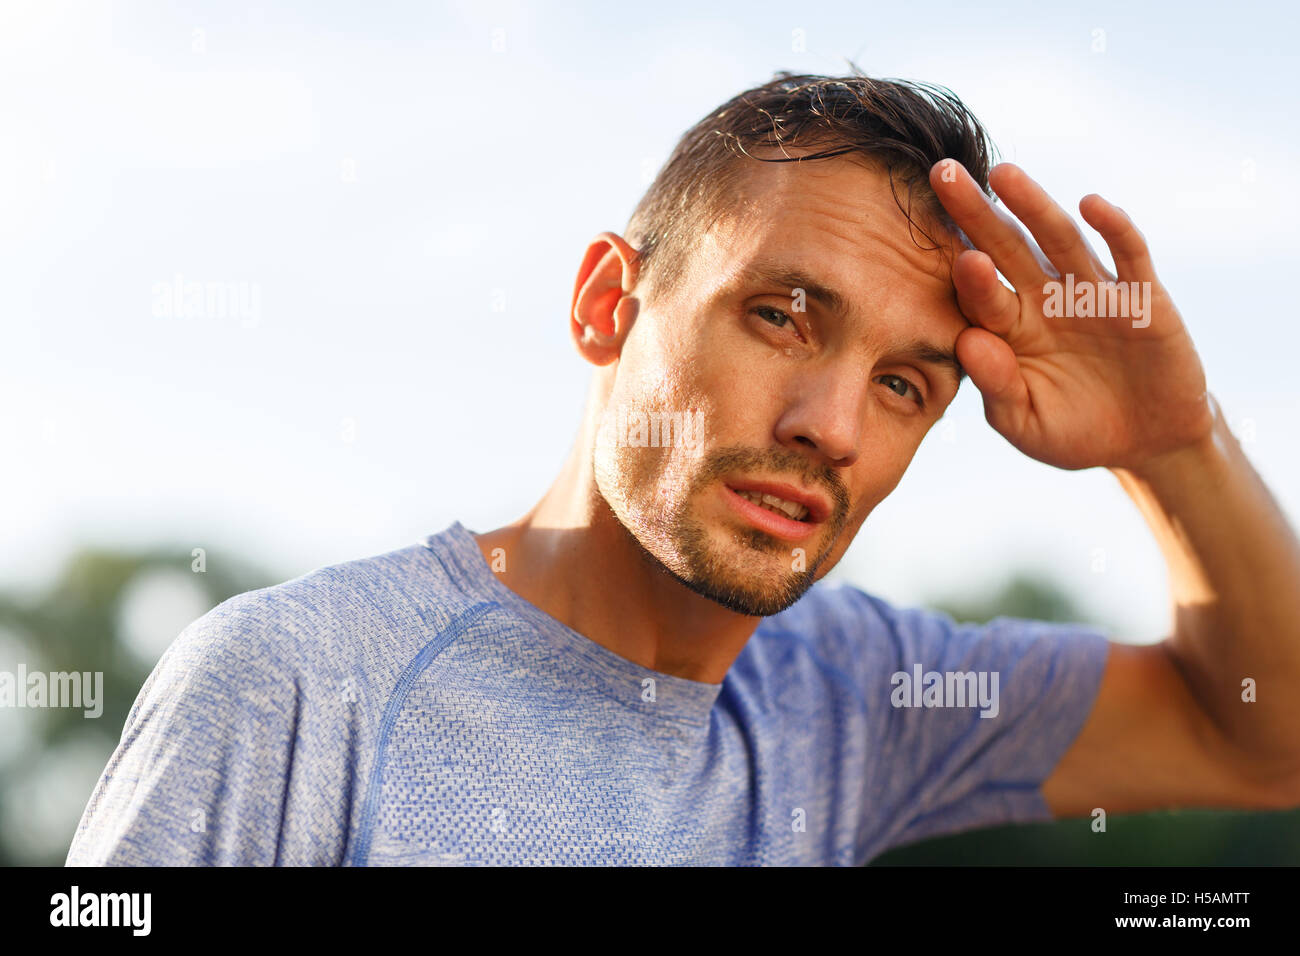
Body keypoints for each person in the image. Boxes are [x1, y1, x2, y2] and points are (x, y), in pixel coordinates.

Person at [66, 70, 1300, 866]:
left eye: (902, 383)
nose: (832, 425)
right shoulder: (297, 682)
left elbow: (1264, 740)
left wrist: (1174, 450)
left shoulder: (853, 697)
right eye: (781, 315)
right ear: (610, 300)